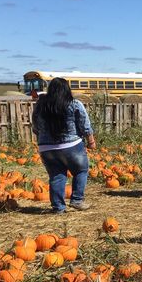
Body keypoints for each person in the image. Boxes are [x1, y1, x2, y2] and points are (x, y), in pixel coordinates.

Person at [31, 77, 96, 213]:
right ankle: (77, 200)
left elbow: (36, 127)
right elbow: (85, 124)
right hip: (71, 145)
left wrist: (43, 139)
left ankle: (58, 207)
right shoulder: (74, 104)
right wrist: (91, 141)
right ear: (67, 90)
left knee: (56, 175)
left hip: (46, 148)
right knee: (80, 170)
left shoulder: (41, 106)